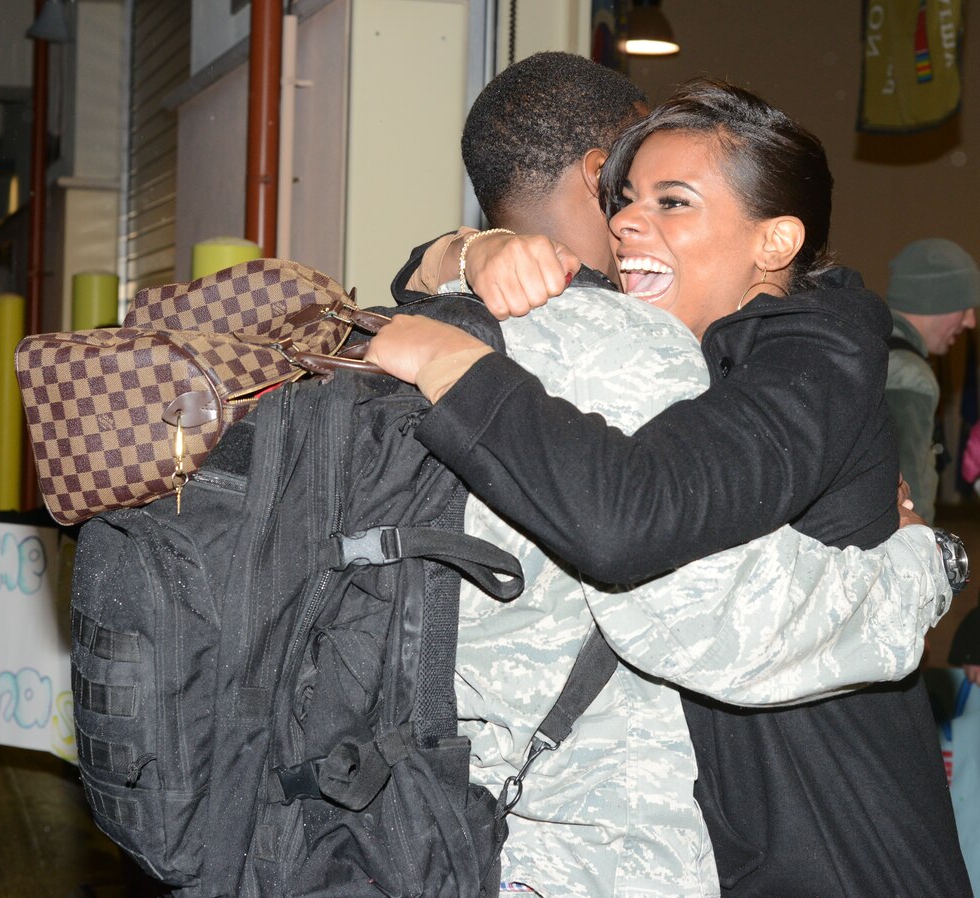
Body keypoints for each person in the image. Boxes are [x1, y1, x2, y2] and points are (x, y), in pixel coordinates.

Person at [367, 75, 971, 897]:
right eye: (622, 197)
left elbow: (626, 520)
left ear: (774, 242)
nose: (623, 221)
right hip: (745, 837)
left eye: (673, 201)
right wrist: (462, 251)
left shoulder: (811, 356)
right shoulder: (699, 343)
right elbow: (422, 279)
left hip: (832, 840)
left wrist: (454, 371)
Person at [884, 238, 979, 521]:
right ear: (936, 302)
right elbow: (909, 497)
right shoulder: (910, 376)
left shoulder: (873, 349)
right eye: (964, 307)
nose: (970, 322)